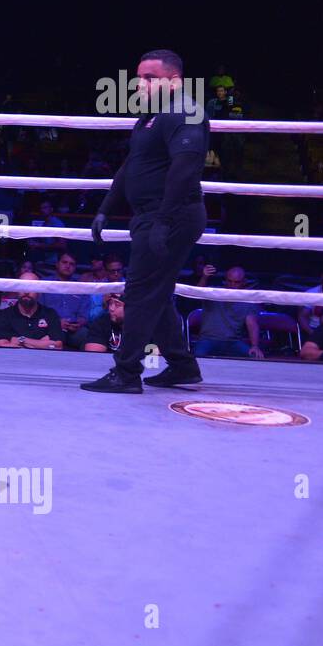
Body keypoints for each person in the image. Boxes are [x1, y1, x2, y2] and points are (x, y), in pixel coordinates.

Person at [83, 49, 208, 393]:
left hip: (171, 216)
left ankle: (126, 373)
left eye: (150, 77)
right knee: (154, 293)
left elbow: (185, 168)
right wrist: (105, 208)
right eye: (139, 77)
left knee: (138, 293)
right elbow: (131, 166)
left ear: (174, 81)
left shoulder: (186, 111)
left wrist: (164, 222)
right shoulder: (152, 116)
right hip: (152, 216)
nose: (141, 84)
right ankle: (182, 367)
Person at [0, 272, 64, 350]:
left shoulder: (50, 314)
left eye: (31, 286)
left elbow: (57, 346)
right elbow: (1, 345)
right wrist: (41, 343)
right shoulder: (4, 315)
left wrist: (21, 340)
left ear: (39, 291)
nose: (26, 292)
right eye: (22, 286)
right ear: (16, 290)